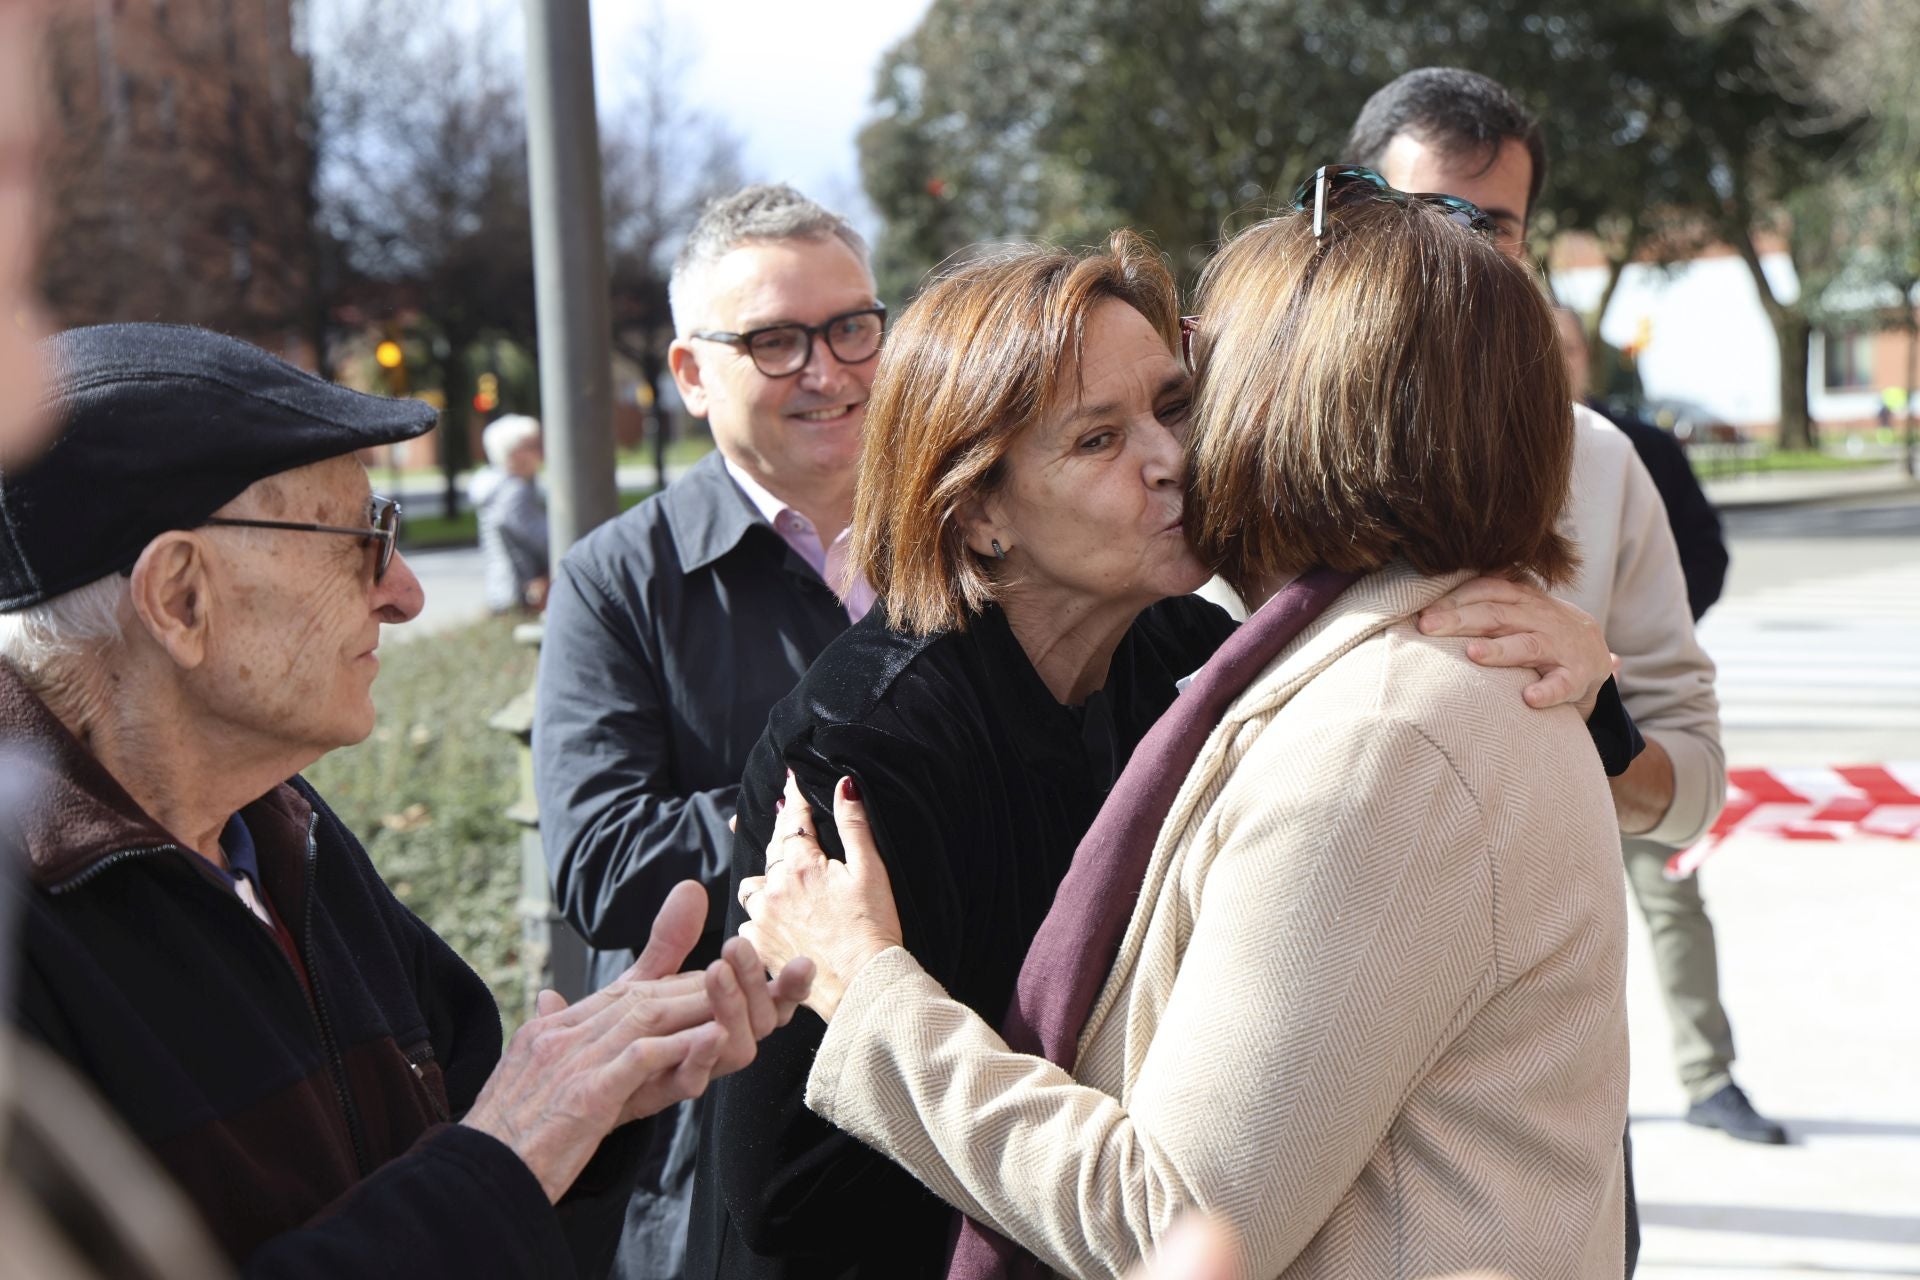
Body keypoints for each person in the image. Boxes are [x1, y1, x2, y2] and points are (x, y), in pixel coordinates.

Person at [695, 220, 1642, 1278]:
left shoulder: (1187, 658)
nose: (1168, 461)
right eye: (1098, 440)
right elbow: (780, 1190)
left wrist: (1583, 678)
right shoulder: (863, 748)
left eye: (1175, 405)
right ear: (980, 513)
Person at [1, 322, 811, 1276]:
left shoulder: (283, 827)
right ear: (181, 598)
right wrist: (507, 1157)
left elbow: (458, 1177)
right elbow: (470, 1175)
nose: (404, 592)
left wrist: (591, 1113)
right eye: (364, 539)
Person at [1349, 66, 1778, 1146]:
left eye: (1494, 224)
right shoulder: (1250, 446)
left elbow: (1693, 787)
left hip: (1539, 1076)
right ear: (1351, 217)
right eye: (1430, 213)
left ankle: (1713, 1076)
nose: (1462, 251)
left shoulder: (1602, 462)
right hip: (1315, 1009)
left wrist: (1600, 713)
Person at [532, 183, 883, 1278]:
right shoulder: (616, 581)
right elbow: (601, 864)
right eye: (776, 341)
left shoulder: (968, 537)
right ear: (691, 373)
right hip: (723, 1143)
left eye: (853, 327)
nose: (828, 371)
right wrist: (854, 800)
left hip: (952, 1098)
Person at [1554, 307, 1729, 621]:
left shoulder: (1647, 447)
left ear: (1587, 356)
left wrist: (1658, 629)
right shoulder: (1494, 455)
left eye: (1567, 349)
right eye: (1540, 350)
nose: (1554, 363)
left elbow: (1704, 553)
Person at [471, 413, 551, 613]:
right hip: (520, 592)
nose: (541, 451)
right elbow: (543, 539)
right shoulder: (514, 493)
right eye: (532, 445)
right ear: (513, 453)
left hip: (503, 588)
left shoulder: (497, 488)